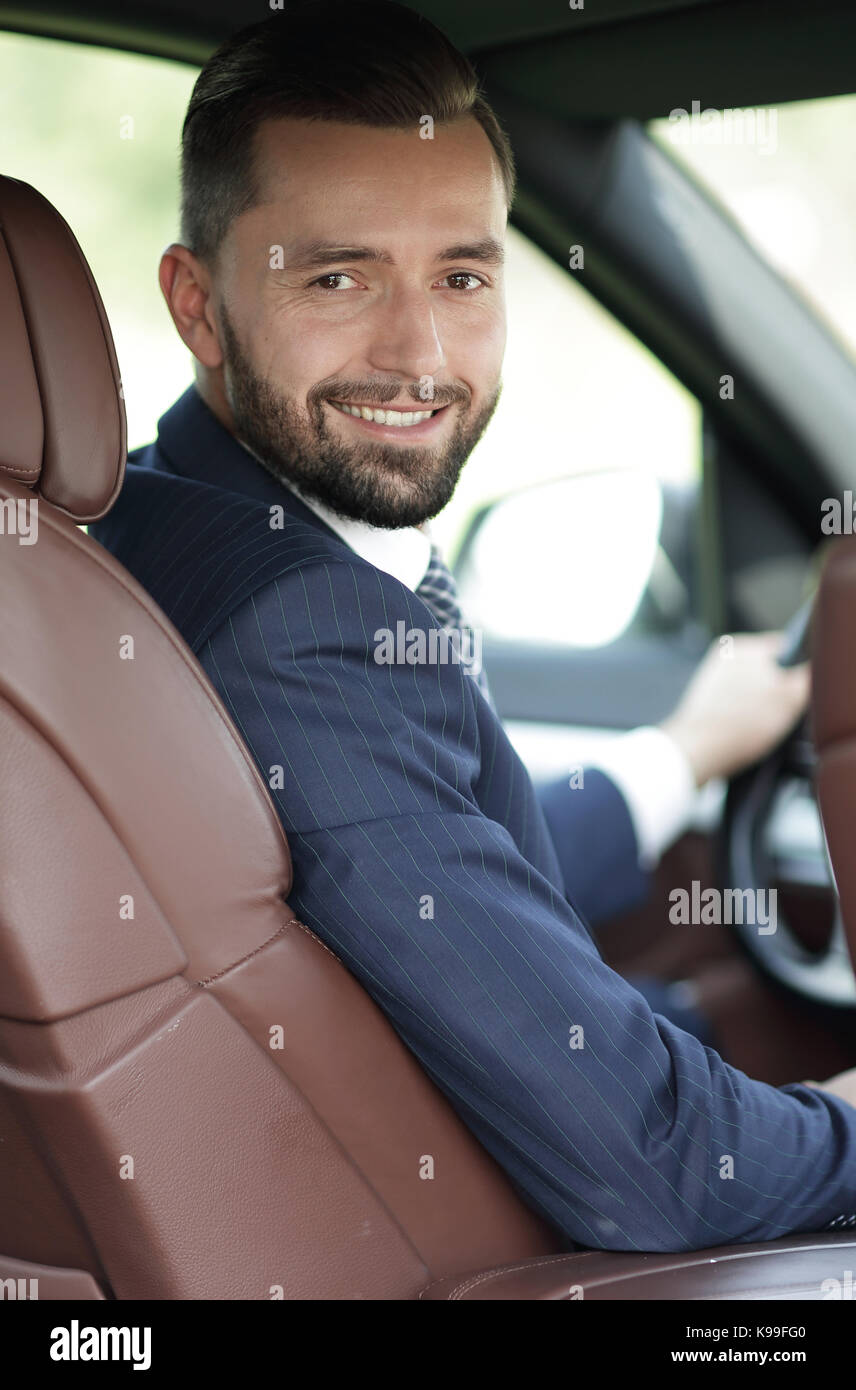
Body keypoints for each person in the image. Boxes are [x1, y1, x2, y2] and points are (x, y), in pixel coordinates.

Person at [93, 1, 856, 1252]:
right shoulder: (299, 625)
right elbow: (660, 1171)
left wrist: (677, 756)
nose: (420, 355)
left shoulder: (136, 534)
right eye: (336, 277)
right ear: (196, 304)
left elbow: (420, 857)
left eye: (462, 274)